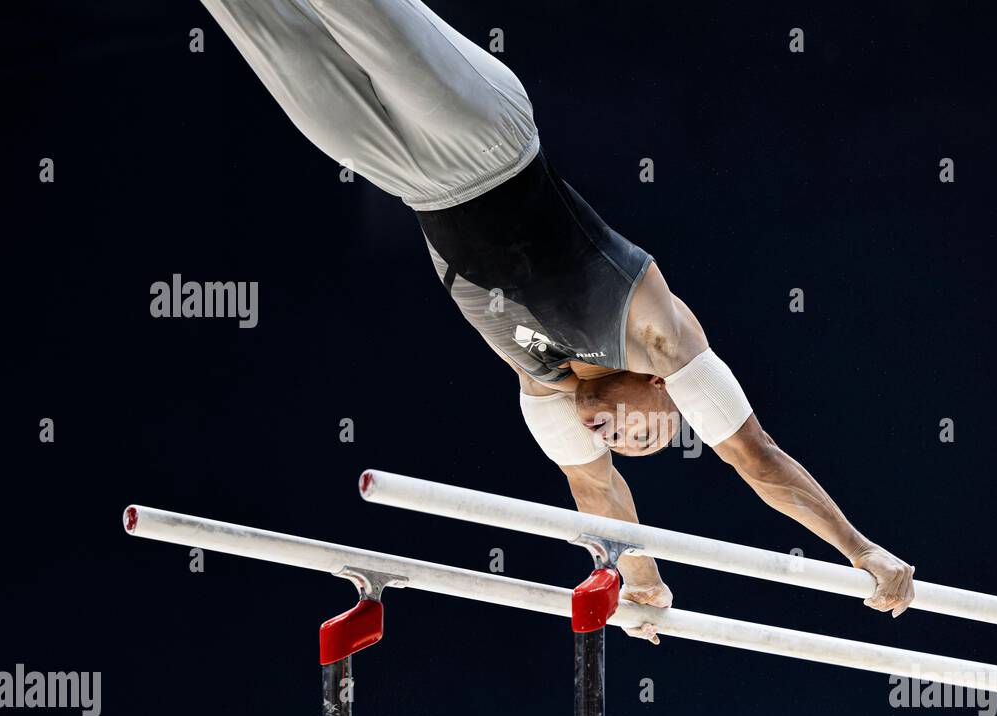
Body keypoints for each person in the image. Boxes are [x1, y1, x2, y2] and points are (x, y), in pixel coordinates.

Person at [200, 0, 915, 640]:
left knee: (252, 18)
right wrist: (861, 550)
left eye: (622, 446)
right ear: (664, 393)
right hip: (487, 138)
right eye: (645, 433)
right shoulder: (657, 332)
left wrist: (639, 577)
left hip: (408, 180)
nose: (617, 436)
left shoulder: (542, 394)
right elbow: (755, 457)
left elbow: (599, 497)